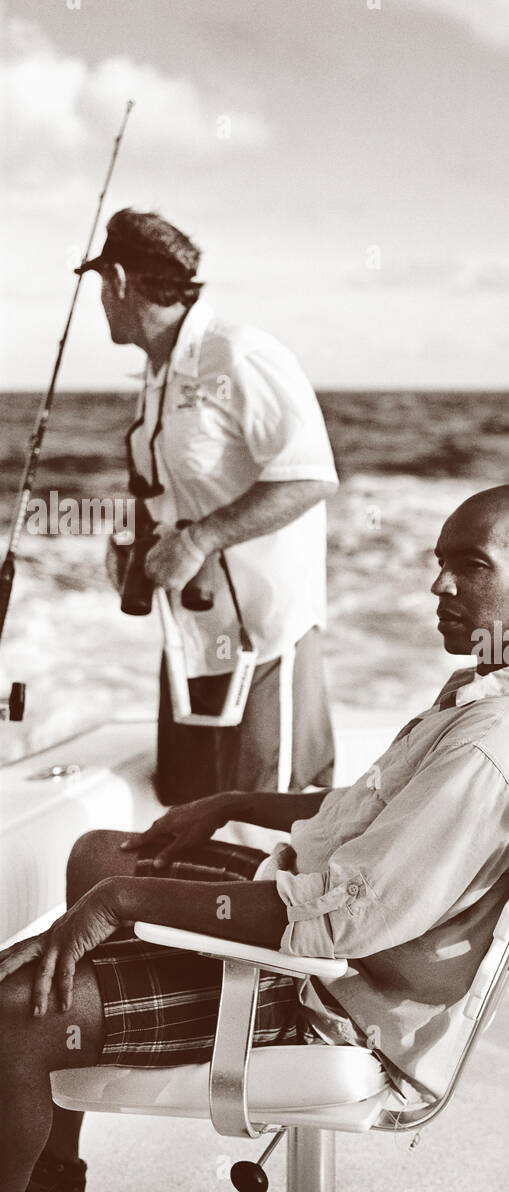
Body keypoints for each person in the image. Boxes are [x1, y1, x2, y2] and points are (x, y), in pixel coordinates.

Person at [0, 484, 509, 1192]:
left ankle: (41, 1089)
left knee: (17, 1017)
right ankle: (56, 1158)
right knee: (102, 853)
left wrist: (121, 905)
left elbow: (340, 921)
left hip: (326, 1000)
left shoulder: (498, 738)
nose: (439, 585)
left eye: (470, 567)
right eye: (439, 563)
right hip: (334, 953)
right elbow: (369, 810)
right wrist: (227, 804)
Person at [77, 208, 339, 804]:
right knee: (188, 814)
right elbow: (169, 486)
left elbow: (310, 477)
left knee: (270, 818)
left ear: (119, 279)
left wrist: (196, 541)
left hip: (266, 636)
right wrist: (131, 543)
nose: (101, 301)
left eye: (100, 286)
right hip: (190, 637)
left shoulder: (240, 354)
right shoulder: (157, 372)